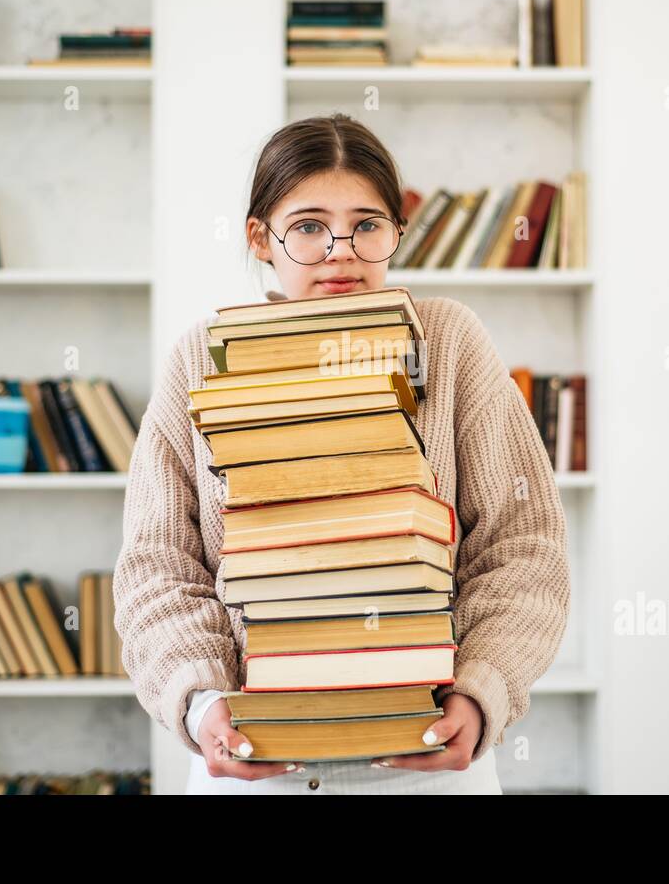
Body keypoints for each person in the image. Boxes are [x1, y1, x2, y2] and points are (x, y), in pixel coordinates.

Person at [113, 113, 570, 794]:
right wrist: (202, 699)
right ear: (260, 238)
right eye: (307, 226)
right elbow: (157, 566)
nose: (340, 250)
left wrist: (481, 690)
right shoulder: (199, 361)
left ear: (396, 232)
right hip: (251, 762)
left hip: (429, 762)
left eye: (366, 223)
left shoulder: (449, 344)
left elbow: (523, 543)